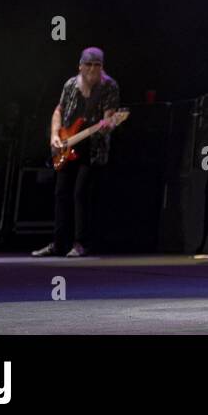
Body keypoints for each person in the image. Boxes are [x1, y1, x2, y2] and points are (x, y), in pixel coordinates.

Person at [32, 47, 120, 258]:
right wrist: (55, 134)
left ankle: (81, 243)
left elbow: (109, 117)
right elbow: (58, 111)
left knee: (81, 194)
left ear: (102, 67)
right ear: (80, 65)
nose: (92, 69)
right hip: (67, 143)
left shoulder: (108, 86)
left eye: (97, 65)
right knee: (61, 193)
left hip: (92, 148)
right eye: (88, 64)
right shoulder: (71, 85)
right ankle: (58, 244)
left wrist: (109, 124)